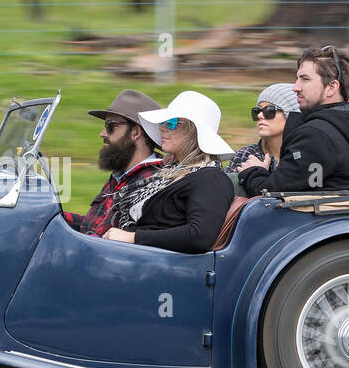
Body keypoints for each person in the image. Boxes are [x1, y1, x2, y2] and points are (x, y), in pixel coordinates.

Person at [236, 44, 349, 194]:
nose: (295, 87)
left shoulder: (315, 134)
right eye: (297, 79)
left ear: (331, 87)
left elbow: (272, 192)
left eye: (305, 79)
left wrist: (254, 171)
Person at [104, 91, 235, 253]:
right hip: (137, 255)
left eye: (171, 123)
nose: (162, 128)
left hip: (155, 263)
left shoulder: (210, 178)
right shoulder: (171, 173)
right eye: (162, 122)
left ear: (193, 132)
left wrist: (133, 237)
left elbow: (200, 236)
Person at [62, 90, 164, 237]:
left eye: (111, 126)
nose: (102, 133)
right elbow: (93, 226)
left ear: (135, 133)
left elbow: (114, 241)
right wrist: (51, 215)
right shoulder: (122, 173)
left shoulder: (153, 182)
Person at [224, 82, 299, 196]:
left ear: (292, 115)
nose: (260, 116)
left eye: (269, 110)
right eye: (257, 111)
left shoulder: (303, 156)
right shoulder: (245, 155)